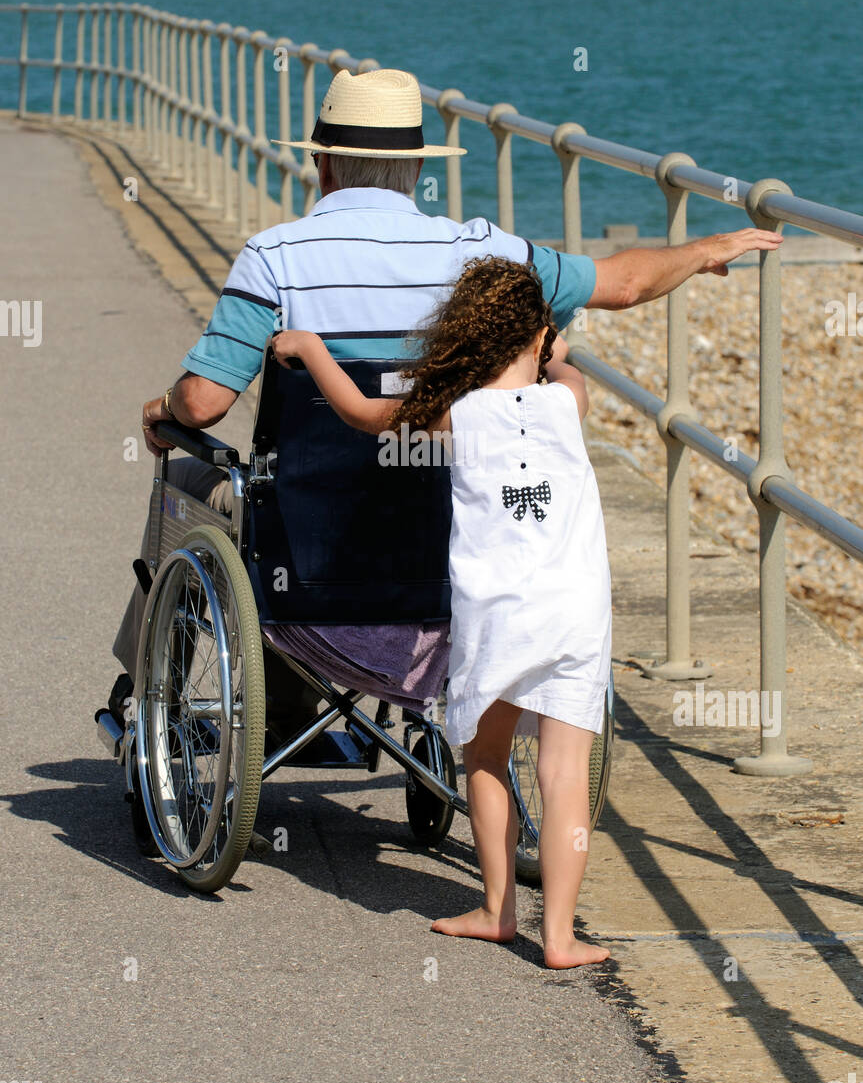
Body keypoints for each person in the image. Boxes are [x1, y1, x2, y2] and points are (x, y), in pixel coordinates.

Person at [108, 64, 782, 730]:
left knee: (198, 479)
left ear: (322, 166)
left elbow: (201, 405)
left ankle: (150, 689)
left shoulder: (275, 257)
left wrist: (160, 411)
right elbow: (623, 284)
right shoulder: (481, 255)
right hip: (457, 534)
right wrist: (700, 250)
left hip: (315, 544)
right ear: (414, 171)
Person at [270, 256, 613, 969]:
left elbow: (364, 416)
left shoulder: (456, 411)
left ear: (465, 335)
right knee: (564, 773)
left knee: (486, 757)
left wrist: (309, 349)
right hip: (575, 607)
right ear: (539, 337)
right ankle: (559, 937)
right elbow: (568, 371)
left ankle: (496, 911)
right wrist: (557, 353)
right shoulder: (566, 401)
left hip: (496, 611)